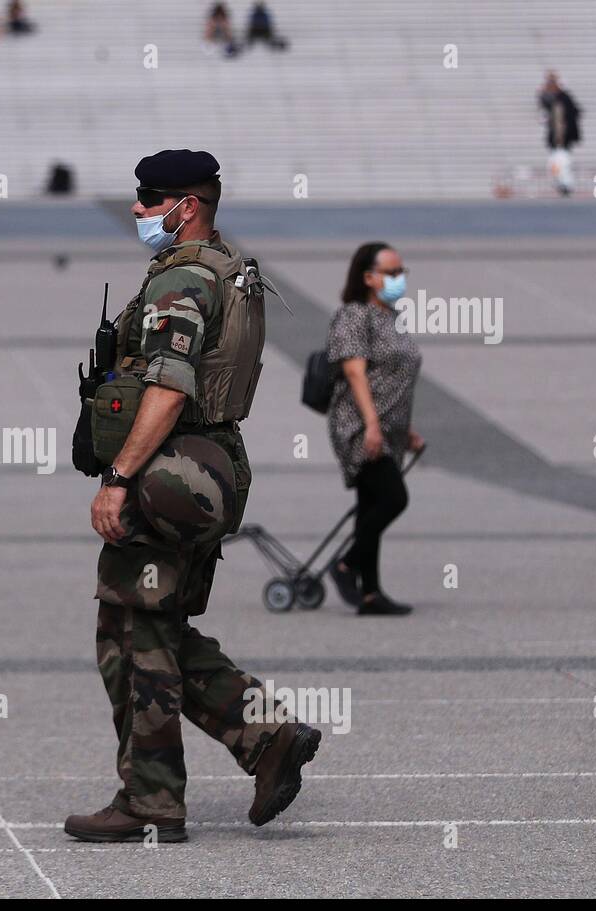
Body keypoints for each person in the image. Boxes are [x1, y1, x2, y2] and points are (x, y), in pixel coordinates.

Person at [64, 149, 321, 843]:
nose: (140, 210)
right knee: (154, 624)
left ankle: (151, 800)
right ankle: (265, 737)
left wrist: (119, 480)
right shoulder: (228, 267)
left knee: (131, 630)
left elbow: (170, 384)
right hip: (210, 466)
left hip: (171, 473)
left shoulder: (182, 282)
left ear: (188, 205)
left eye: (151, 199)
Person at [326, 243, 423, 616]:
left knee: (370, 505)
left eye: (402, 273)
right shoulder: (354, 316)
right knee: (392, 498)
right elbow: (355, 372)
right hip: (357, 426)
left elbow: (393, 380)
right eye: (391, 273)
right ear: (368, 278)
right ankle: (346, 565)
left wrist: (407, 429)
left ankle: (371, 594)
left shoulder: (390, 317)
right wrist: (370, 425)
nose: (399, 280)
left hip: (387, 430)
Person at [538, 72, 581, 197]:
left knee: (562, 161)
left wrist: (563, 136)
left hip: (562, 139)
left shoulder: (563, 99)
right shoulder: (554, 99)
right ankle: (563, 183)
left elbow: (567, 119)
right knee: (556, 162)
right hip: (557, 138)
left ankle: (566, 184)